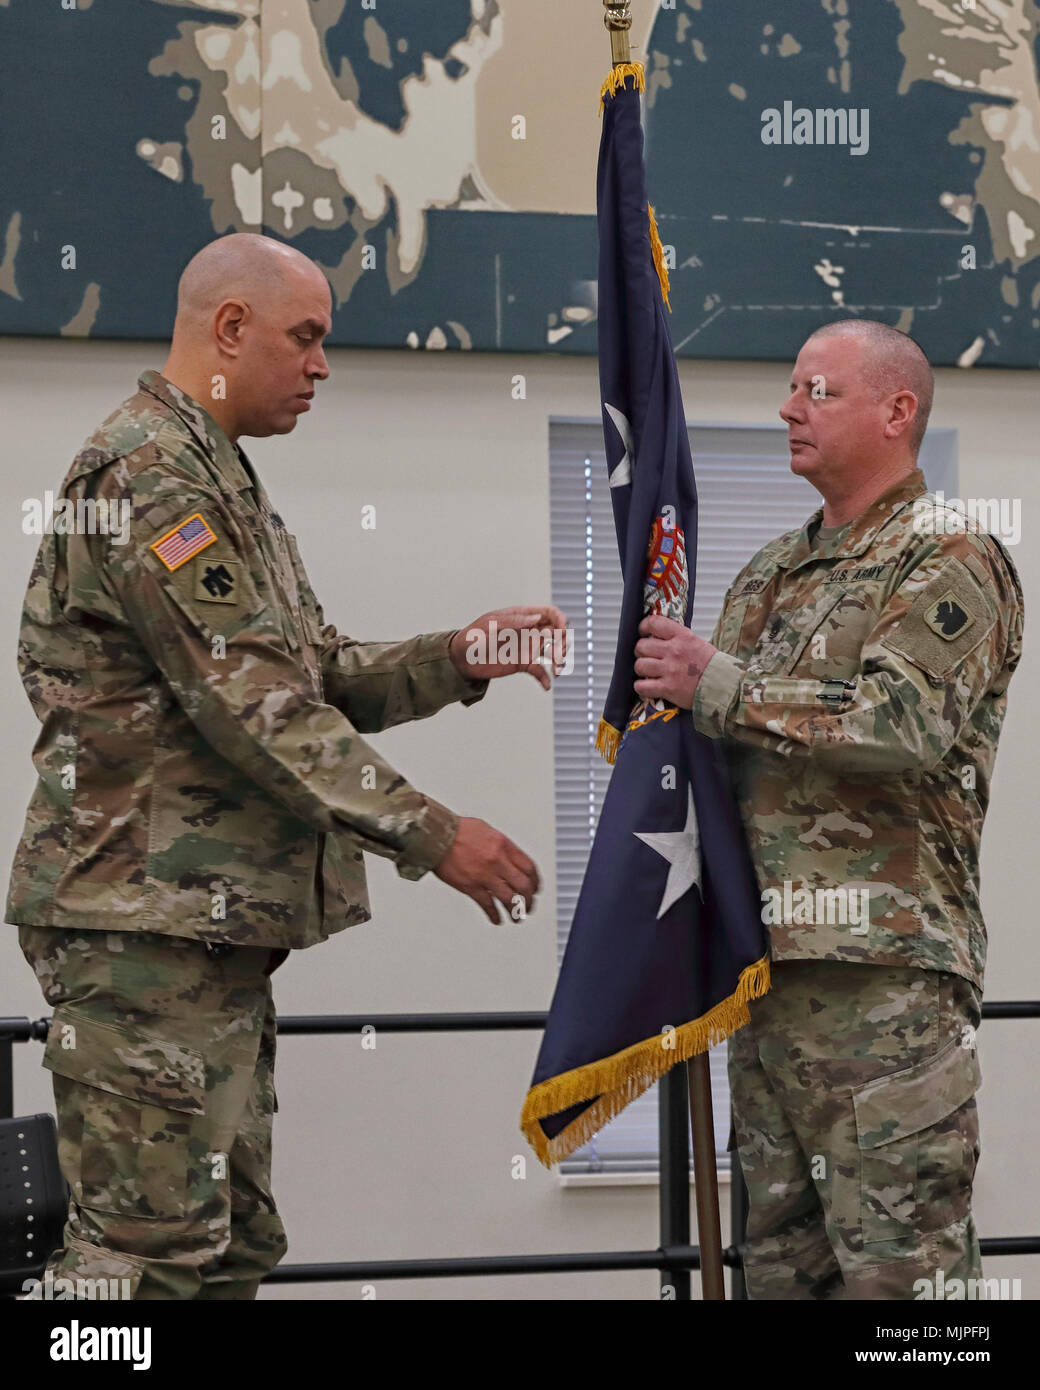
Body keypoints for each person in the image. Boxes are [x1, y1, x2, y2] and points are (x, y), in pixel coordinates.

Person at [8, 232, 569, 1300]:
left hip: (200, 940)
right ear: (229, 328)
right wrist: (436, 835)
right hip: (143, 938)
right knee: (135, 1266)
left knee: (229, 1250)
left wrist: (458, 654)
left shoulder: (217, 476)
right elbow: (257, 711)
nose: (321, 365)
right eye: (305, 337)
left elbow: (310, 674)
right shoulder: (151, 476)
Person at [632, 319, 1024, 1299]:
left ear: (896, 413)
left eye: (816, 390)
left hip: (879, 985)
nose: (785, 409)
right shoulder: (768, 571)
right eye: (791, 388)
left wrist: (714, 685)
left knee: (900, 1281)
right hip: (762, 977)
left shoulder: (948, 554)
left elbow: (901, 723)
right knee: (779, 1273)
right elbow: (710, 745)